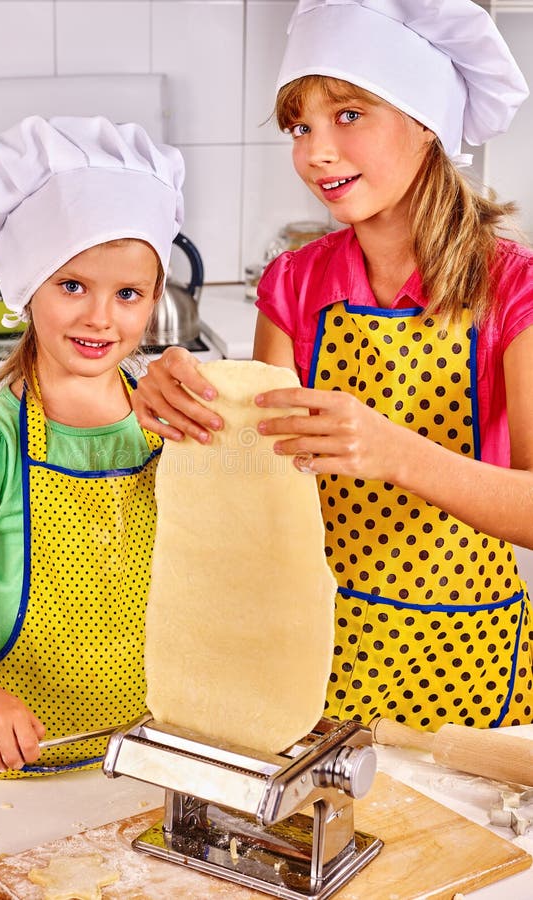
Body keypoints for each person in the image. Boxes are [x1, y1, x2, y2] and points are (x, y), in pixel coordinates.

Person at [130, 0, 533, 731]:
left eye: (347, 115)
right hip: (316, 654)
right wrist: (173, 406)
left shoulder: (512, 288)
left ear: (425, 122)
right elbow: (257, 482)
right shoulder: (293, 283)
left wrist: (394, 453)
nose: (314, 152)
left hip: (464, 662)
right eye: (299, 127)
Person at [0, 115, 184, 778]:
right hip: (25, 765)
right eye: (71, 287)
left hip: (157, 756)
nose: (99, 317)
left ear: (152, 301)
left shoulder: (166, 419)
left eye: (127, 294)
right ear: (27, 287)